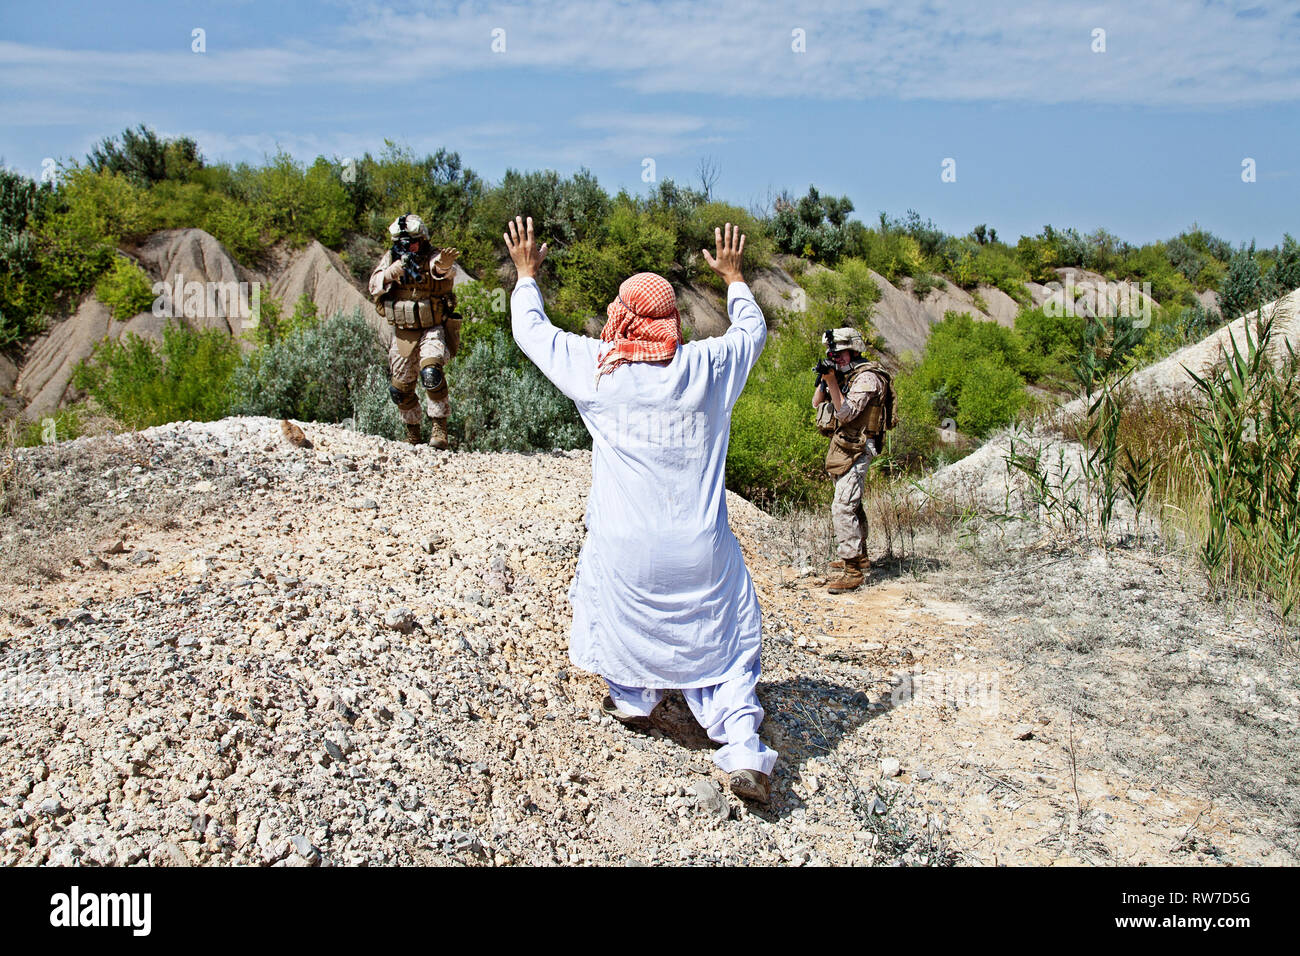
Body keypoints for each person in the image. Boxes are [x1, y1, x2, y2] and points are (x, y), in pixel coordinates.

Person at [505, 216, 778, 803]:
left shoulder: (599, 371)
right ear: (673, 321)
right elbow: (752, 330)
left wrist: (527, 273)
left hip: (627, 554)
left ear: (623, 317)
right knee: (726, 627)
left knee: (603, 582)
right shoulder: (709, 369)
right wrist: (733, 277)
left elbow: (530, 330)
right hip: (699, 551)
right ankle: (738, 739)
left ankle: (634, 695)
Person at [369, 214, 462, 449]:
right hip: (403, 331)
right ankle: (412, 433)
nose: (408, 249)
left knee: (431, 372)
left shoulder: (432, 256)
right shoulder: (391, 258)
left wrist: (443, 265)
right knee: (399, 390)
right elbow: (373, 285)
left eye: (412, 243)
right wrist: (393, 272)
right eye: (403, 244)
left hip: (431, 328)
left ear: (422, 240)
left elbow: (440, 270)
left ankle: (439, 428)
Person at [812, 328, 893, 592]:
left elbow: (845, 413)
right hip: (846, 443)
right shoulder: (847, 375)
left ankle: (853, 570)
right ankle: (861, 555)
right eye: (832, 355)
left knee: (843, 506)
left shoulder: (868, 379)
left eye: (840, 354)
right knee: (851, 502)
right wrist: (824, 382)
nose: (837, 359)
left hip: (860, 445)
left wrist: (833, 382)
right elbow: (816, 404)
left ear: (854, 350)